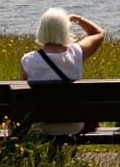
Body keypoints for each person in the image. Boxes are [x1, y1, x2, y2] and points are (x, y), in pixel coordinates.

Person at [20, 8, 107, 137]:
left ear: (41, 30)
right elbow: (99, 33)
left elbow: (22, 97)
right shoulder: (76, 53)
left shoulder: (28, 60)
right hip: (74, 125)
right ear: (65, 30)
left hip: (39, 124)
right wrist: (76, 18)